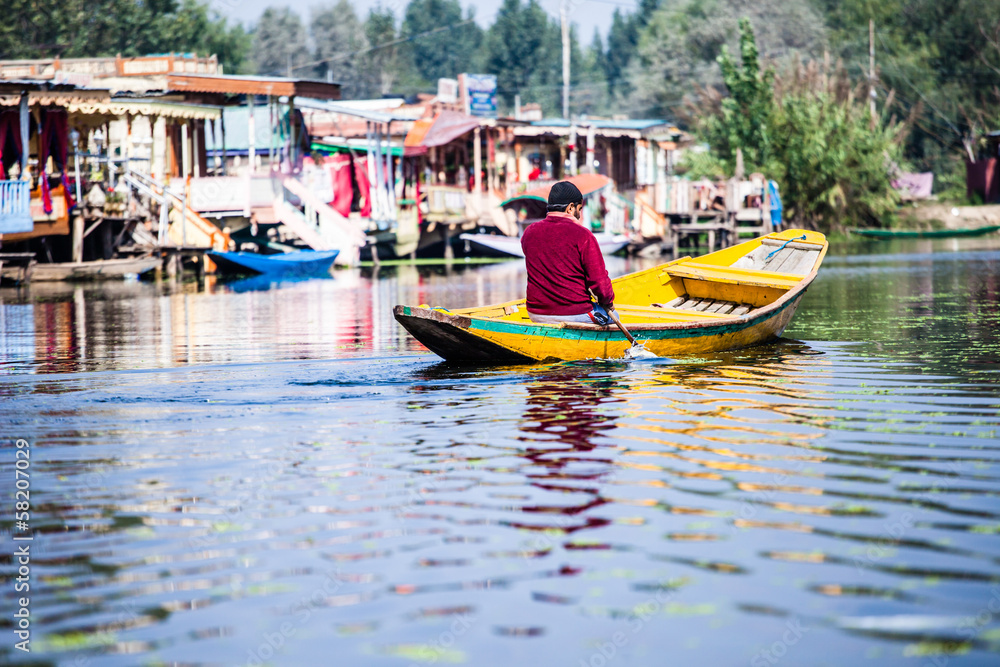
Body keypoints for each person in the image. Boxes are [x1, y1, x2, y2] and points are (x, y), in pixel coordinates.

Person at [520, 181, 615, 325]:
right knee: (616, 317)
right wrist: (607, 302)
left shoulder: (529, 233)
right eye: (579, 209)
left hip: (535, 313)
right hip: (574, 313)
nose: (579, 215)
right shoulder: (583, 235)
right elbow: (600, 283)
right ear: (571, 208)